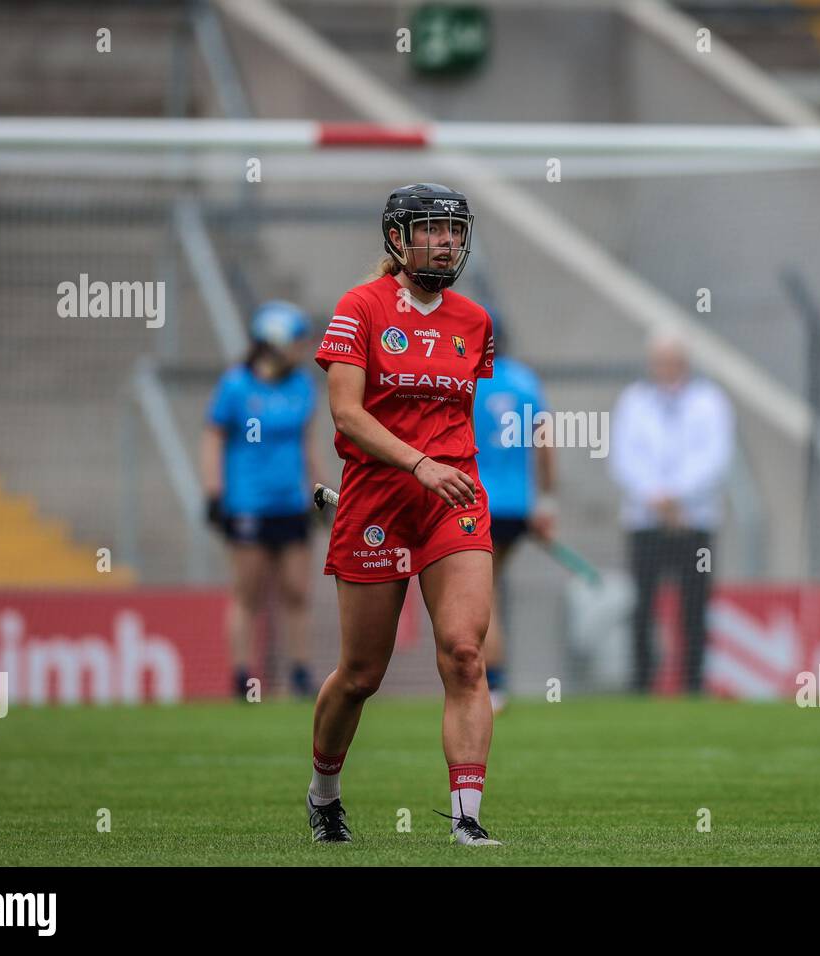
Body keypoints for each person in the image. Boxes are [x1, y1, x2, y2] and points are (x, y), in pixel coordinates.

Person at [307, 182, 500, 846]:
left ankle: (467, 820)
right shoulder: (358, 309)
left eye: (454, 229)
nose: (447, 240)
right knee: (362, 675)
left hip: (455, 499)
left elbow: (454, 416)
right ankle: (324, 792)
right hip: (379, 500)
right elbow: (347, 414)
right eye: (432, 229)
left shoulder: (475, 322)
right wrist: (417, 463)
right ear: (397, 238)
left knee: (466, 655)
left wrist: (440, 471)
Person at [201, 301, 323, 700]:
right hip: (249, 503)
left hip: (292, 503)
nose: (303, 348)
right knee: (248, 592)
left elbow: (308, 443)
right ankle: (242, 677)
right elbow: (214, 438)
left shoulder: (301, 385)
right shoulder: (236, 385)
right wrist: (214, 492)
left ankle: (301, 673)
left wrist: (319, 490)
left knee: (296, 591)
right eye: (297, 340)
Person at [609, 330, 734, 695]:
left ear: (684, 362)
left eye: (671, 360)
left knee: (694, 605)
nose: (664, 368)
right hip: (644, 521)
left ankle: (693, 683)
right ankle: (642, 682)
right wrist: (654, 497)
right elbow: (624, 458)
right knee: (642, 604)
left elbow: (715, 458)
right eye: (658, 360)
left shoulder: (711, 402)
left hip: (694, 521)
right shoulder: (633, 401)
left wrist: (678, 495)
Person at [472, 308, 558, 714]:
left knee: (482, 594)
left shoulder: (467, 381)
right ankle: (491, 680)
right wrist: (546, 501)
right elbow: (545, 447)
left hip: (473, 501)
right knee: (487, 590)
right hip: (516, 507)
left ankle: (494, 681)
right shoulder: (526, 381)